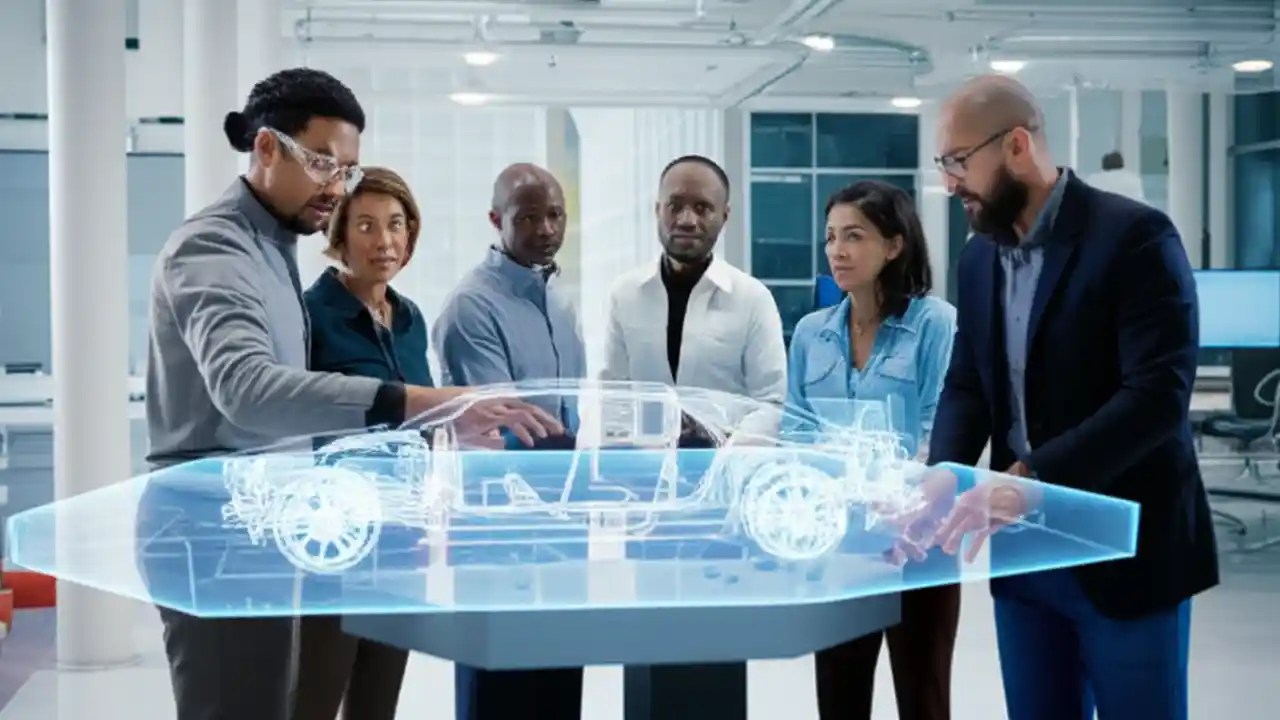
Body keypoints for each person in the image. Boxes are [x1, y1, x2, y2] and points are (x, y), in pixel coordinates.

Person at [141, 68, 560, 720]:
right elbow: (246, 390)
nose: (336, 187)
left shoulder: (274, 248)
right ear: (266, 148)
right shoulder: (213, 246)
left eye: (347, 171)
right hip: (214, 533)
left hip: (271, 529)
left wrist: (439, 425)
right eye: (323, 165)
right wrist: (424, 401)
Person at [923, 73, 1219, 720]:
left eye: (957, 161)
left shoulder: (1135, 238)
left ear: (1017, 146)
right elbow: (969, 384)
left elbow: (1156, 398)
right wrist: (942, 473)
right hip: (1027, 554)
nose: (948, 183)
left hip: (1126, 550)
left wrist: (1035, 476)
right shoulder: (979, 259)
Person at [786, 180, 958, 720]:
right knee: (839, 697)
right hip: (839, 541)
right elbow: (798, 432)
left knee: (922, 696)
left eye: (854, 236)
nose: (837, 250)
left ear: (894, 244)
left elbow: (942, 429)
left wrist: (901, 504)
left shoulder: (936, 324)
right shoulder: (812, 333)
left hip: (918, 539)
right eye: (831, 237)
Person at [432, 162, 586, 720]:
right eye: (528, 218)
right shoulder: (471, 306)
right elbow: (503, 429)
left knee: (559, 685)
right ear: (496, 220)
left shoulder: (559, 298)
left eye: (555, 215)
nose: (546, 229)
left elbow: (569, 411)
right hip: (500, 530)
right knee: (500, 691)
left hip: (563, 524)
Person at [285, 166, 431, 720]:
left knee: (378, 702)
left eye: (396, 224)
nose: (384, 241)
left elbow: (423, 422)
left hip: (401, 537)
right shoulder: (311, 315)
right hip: (335, 539)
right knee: (316, 699)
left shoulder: (411, 317)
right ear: (340, 235)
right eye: (366, 225)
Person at [601, 155, 786, 416]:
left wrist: (726, 447)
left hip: (728, 453)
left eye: (702, 208)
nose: (687, 220)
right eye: (674, 206)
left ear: (724, 215)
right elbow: (612, 396)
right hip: (645, 453)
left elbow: (771, 402)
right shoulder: (625, 294)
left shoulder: (752, 299)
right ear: (657, 210)